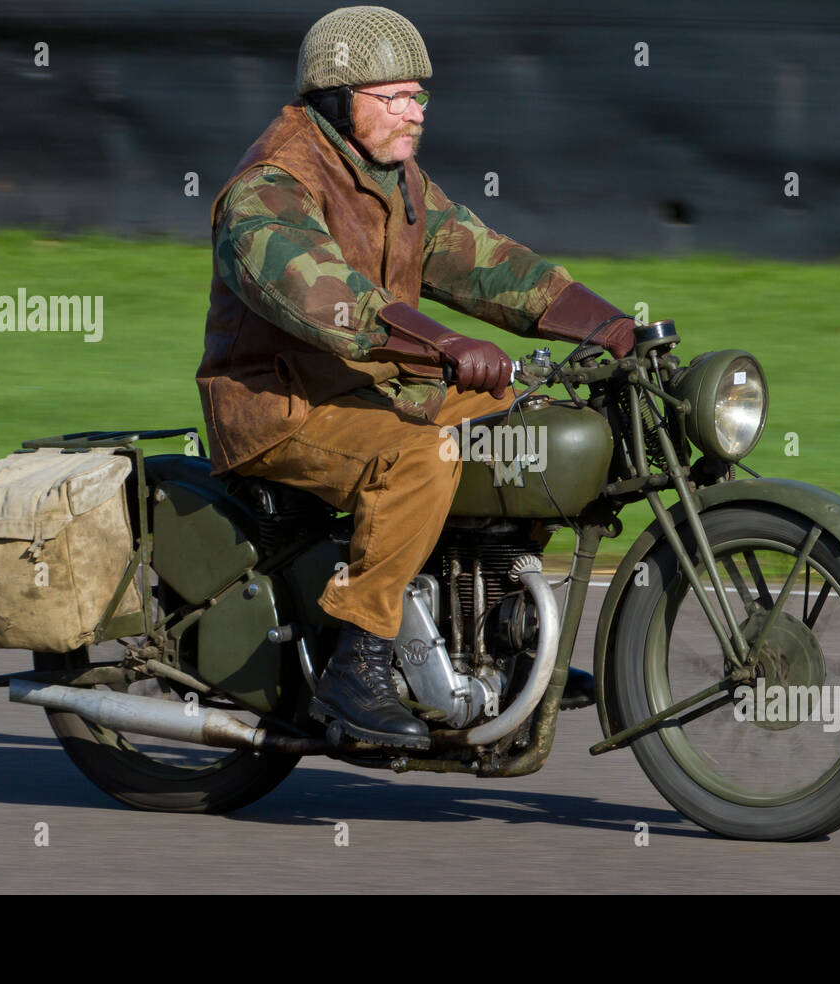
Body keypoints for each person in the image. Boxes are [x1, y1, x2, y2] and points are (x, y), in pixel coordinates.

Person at [196, 5, 636, 749]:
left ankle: (494, 629)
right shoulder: (269, 188)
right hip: (280, 406)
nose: (413, 113)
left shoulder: (395, 181)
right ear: (336, 102)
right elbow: (321, 296)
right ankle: (358, 659)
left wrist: (607, 326)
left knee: (522, 424)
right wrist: (441, 341)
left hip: (365, 386)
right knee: (421, 457)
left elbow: (485, 260)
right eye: (392, 98)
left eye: (418, 96)